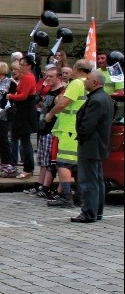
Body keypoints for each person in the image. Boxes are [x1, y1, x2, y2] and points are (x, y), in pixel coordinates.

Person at [44, 59, 92, 208]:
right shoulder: (92, 83)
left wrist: (50, 114)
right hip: (80, 127)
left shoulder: (77, 83)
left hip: (70, 128)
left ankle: (66, 196)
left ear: (76, 69)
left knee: (64, 163)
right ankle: (80, 197)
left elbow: (64, 102)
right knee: (77, 163)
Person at [71, 70, 116, 223]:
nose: (85, 82)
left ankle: (89, 212)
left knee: (89, 180)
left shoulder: (96, 100)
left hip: (91, 145)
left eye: (88, 79)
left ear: (95, 82)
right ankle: (97, 211)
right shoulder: (106, 98)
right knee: (97, 179)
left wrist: (81, 137)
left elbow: (88, 124)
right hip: (99, 144)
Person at [25, 65, 65, 198]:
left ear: (58, 77)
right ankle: (39, 184)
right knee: (42, 160)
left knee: (48, 161)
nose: (47, 79)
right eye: (46, 76)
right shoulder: (49, 89)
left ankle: (46, 186)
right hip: (43, 127)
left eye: (51, 76)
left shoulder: (61, 91)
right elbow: (43, 105)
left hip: (52, 129)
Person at [7, 54, 38, 179]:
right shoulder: (26, 77)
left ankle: (28, 168)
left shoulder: (28, 78)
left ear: (29, 66)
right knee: (24, 140)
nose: (20, 66)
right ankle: (27, 167)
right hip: (23, 111)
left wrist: (10, 96)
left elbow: (23, 96)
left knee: (25, 142)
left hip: (25, 112)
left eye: (23, 64)